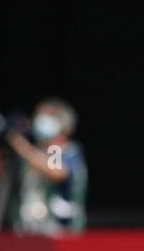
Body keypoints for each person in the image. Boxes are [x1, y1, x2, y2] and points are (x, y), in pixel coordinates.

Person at [5, 99, 88, 236]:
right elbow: (4, 181)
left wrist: (20, 145)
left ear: (63, 124)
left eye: (49, 116)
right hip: (29, 232)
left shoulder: (69, 151)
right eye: (39, 115)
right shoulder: (33, 154)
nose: (41, 120)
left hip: (63, 233)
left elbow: (56, 172)